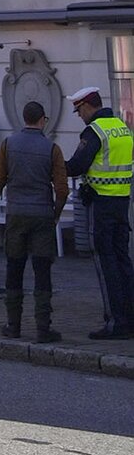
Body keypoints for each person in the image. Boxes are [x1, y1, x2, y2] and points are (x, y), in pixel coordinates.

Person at [0, 100, 69, 342]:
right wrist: (56, 214)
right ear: (42, 120)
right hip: (42, 215)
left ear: (24, 119)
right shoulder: (52, 149)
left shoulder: (8, 145)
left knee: (14, 268)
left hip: (16, 214)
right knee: (42, 271)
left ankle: (14, 325)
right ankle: (43, 328)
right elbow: (62, 189)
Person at [64, 86, 134, 339]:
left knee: (107, 264)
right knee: (123, 261)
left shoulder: (95, 131)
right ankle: (130, 318)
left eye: (79, 110)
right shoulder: (122, 128)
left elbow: (76, 166)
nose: (80, 116)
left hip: (101, 206)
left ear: (86, 106)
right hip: (122, 204)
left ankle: (115, 322)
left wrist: (54, 166)